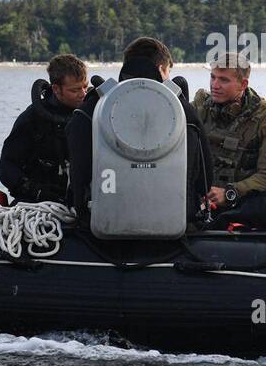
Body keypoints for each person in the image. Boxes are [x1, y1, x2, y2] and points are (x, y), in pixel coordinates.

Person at [66, 37, 213, 226]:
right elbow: (205, 180)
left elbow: (78, 177)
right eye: (168, 71)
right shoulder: (184, 112)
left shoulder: (92, 108)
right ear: (161, 70)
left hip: (100, 228)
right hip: (174, 225)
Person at [192, 53, 266, 212]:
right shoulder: (199, 108)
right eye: (213, 77)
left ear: (243, 84)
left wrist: (233, 192)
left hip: (242, 207)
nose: (215, 85)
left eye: (224, 80)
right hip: (197, 203)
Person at [0, 54, 89, 203]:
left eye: (85, 87)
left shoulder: (92, 114)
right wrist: (35, 191)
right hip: (38, 202)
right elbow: (7, 168)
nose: (83, 94)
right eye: (75, 90)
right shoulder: (32, 119)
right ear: (56, 89)